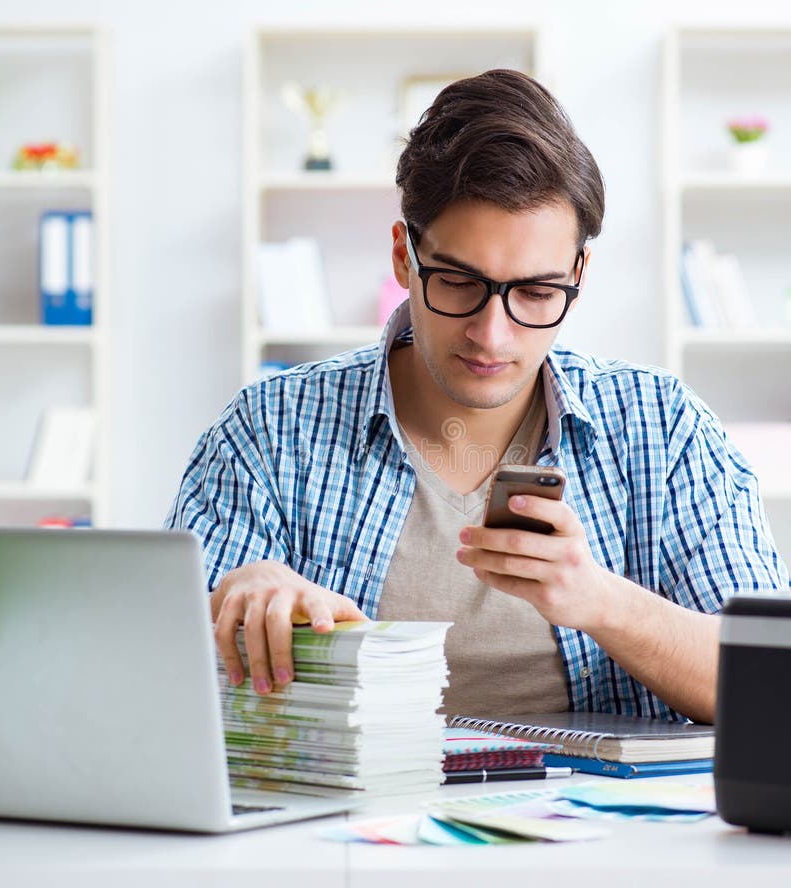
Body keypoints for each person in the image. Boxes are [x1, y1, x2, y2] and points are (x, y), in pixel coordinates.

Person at [166, 69, 788, 726]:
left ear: (577, 275)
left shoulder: (665, 431)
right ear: (404, 256)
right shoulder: (266, 432)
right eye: (460, 282)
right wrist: (233, 600)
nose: (492, 334)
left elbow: (772, 686)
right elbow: (155, 686)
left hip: (602, 830)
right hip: (339, 826)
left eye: (537, 294)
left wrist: (601, 601)